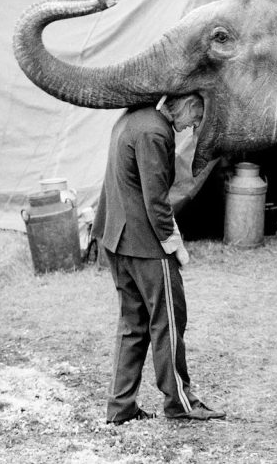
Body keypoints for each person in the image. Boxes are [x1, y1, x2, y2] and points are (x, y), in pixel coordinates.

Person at [92, 95, 225, 424]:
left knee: (132, 326)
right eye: (198, 114)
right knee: (168, 323)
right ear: (186, 102)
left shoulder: (131, 116)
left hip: (115, 238)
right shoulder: (155, 131)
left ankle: (120, 408)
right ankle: (180, 403)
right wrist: (174, 245)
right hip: (145, 245)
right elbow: (156, 200)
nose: (195, 124)